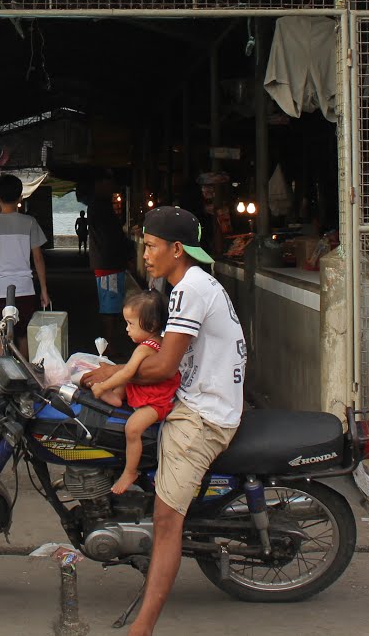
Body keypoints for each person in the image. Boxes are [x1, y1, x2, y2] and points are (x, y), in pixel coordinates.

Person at [82, 206, 245, 636]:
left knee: (166, 519)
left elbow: (164, 367)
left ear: (177, 249)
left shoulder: (190, 288)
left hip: (204, 414)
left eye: (152, 246)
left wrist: (112, 374)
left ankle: (143, 627)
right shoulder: (184, 285)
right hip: (196, 396)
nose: (146, 253)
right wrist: (116, 371)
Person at [89, 288, 179, 495]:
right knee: (126, 379)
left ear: (152, 325)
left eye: (130, 323)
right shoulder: (159, 341)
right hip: (147, 391)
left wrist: (103, 384)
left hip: (156, 402)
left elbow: (128, 372)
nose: (127, 329)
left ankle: (130, 471)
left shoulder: (145, 347)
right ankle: (116, 397)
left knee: (132, 429)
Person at [0, 173, 50, 328]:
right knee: (23, 335)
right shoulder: (30, 222)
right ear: (20, 198)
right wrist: (44, 290)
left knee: (1, 334)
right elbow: (38, 258)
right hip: (24, 289)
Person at [87, 192, 134, 357]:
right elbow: (113, 240)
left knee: (109, 307)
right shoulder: (104, 216)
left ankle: (107, 342)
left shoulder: (94, 210)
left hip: (105, 266)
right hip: (110, 267)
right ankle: (108, 344)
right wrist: (127, 255)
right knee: (110, 308)